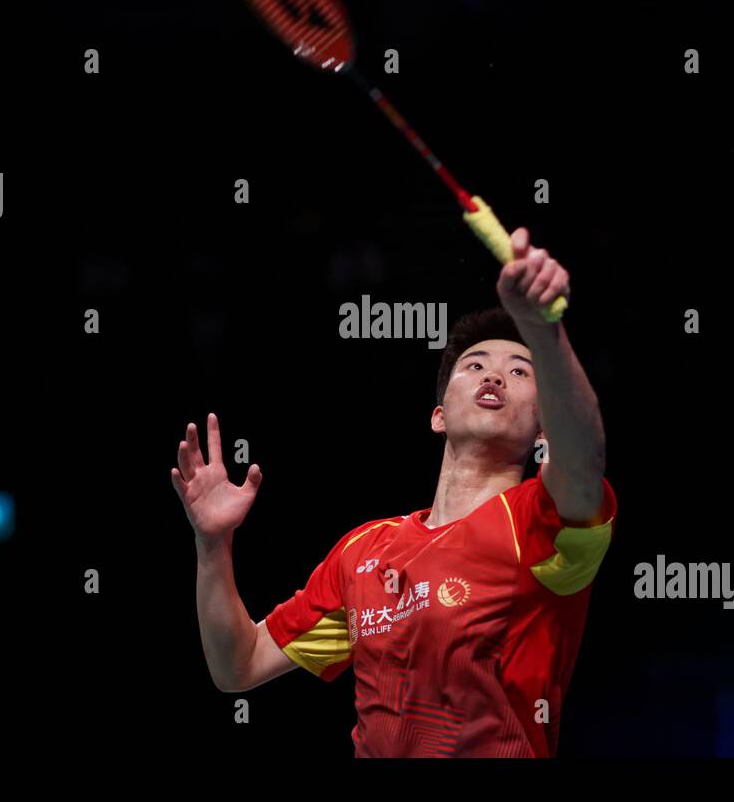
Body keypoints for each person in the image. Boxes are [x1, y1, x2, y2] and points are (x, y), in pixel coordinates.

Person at [174, 226, 616, 756]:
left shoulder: (540, 522)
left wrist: (543, 331)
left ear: (544, 428)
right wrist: (212, 545)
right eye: (475, 365)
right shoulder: (362, 552)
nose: (494, 377)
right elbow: (237, 666)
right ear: (438, 416)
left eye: (520, 372)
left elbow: (583, 455)